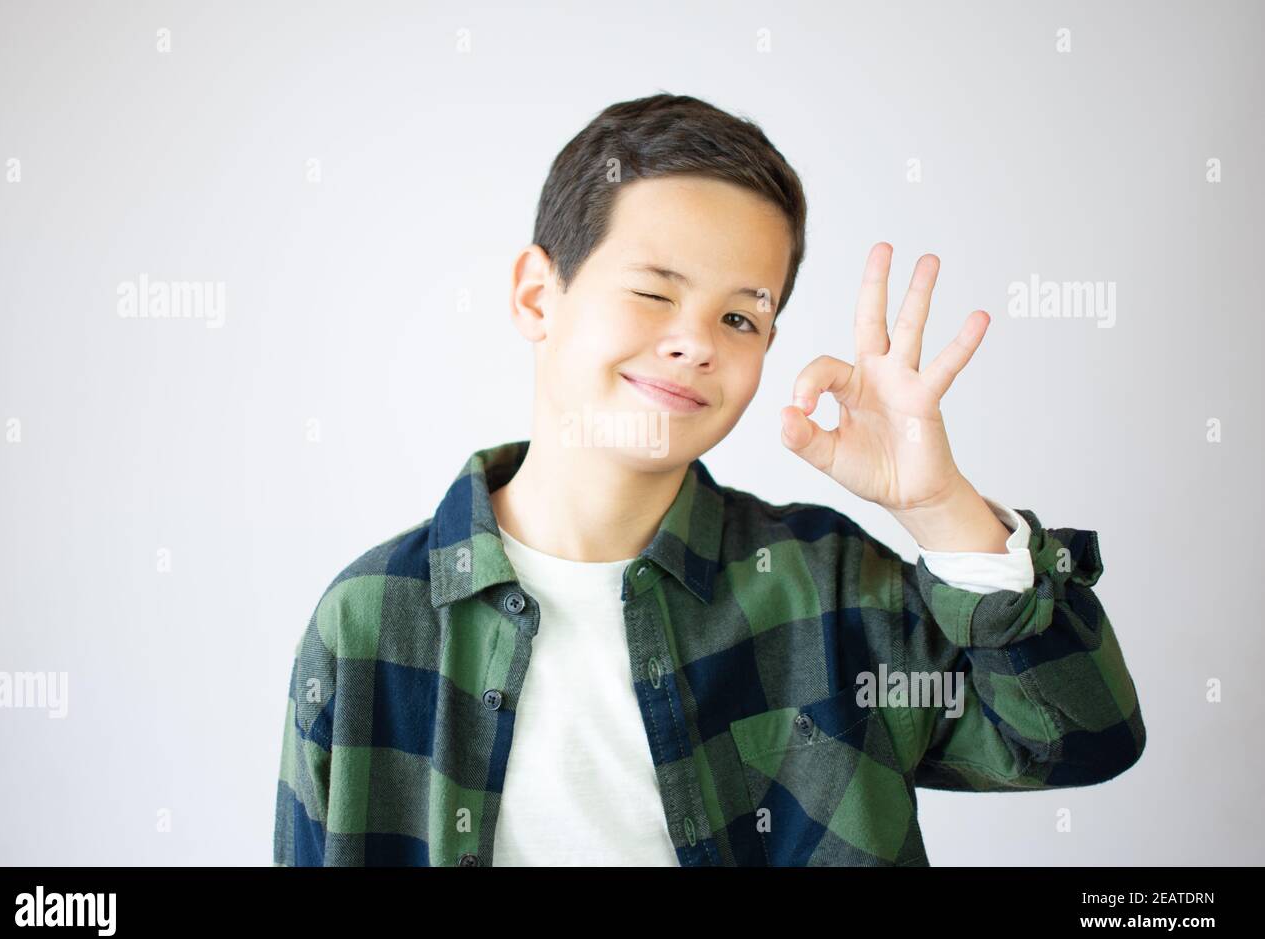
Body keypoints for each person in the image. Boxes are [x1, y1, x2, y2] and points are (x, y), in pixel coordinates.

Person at [273, 92, 1145, 867]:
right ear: (538, 296)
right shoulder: (371, 620)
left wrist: (939, 506)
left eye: (739, 315)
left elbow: (1080, 737)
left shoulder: (825, 588)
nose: (696, 342)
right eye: (655, 293)